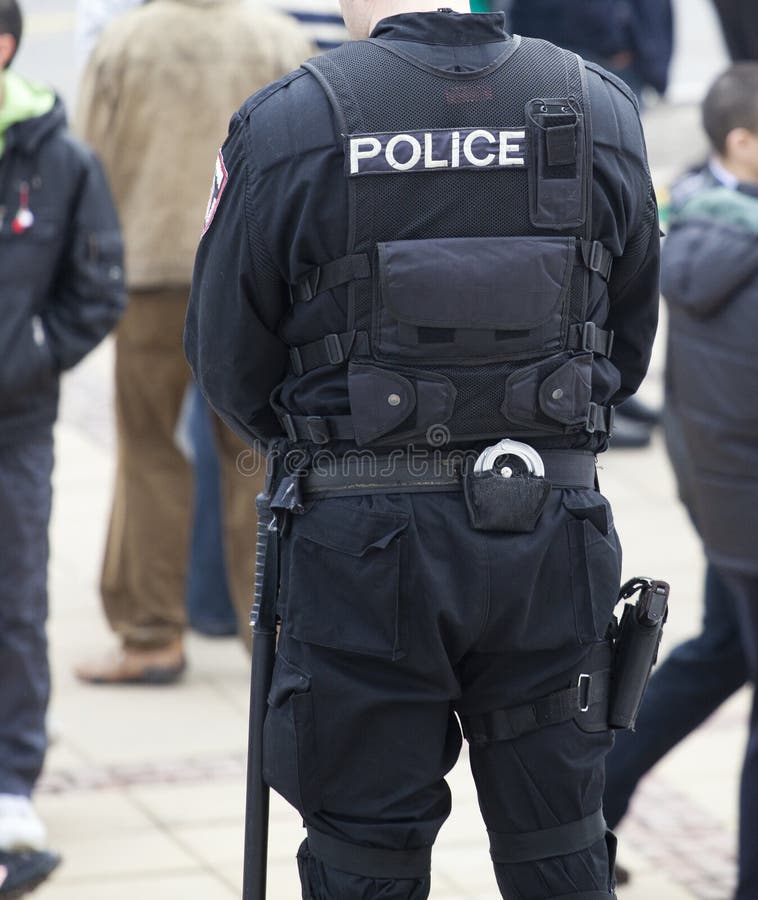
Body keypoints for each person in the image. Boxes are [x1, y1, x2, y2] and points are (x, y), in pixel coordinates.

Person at [186, 0, 661, 895]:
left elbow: (226, 357)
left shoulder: (289, 119)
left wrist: (332, 451)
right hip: (549, 536)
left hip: (360, 548)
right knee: (561, 844)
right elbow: (627, 347)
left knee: (364, 856)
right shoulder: (600, 105)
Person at [72, 0, 314, 684]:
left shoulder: (125, 41)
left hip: (150, 272)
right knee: (252, 455)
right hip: (249, 272)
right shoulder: (279, 38)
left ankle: (151, 636)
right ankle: (267, 634)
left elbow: (90, 159)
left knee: (149, 447)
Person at [606, 63, 758, 900]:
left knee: (720, 655)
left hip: (723, 502)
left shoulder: (699, 214)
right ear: (742, 142)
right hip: (745, 508)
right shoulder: (745, 247)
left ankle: (593, 800)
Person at [0, 0, 126, 893]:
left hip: (14, 424)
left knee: (14, 599)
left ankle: (9, 779)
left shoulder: (57, 157)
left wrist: (34, 359)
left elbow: (97, 286)